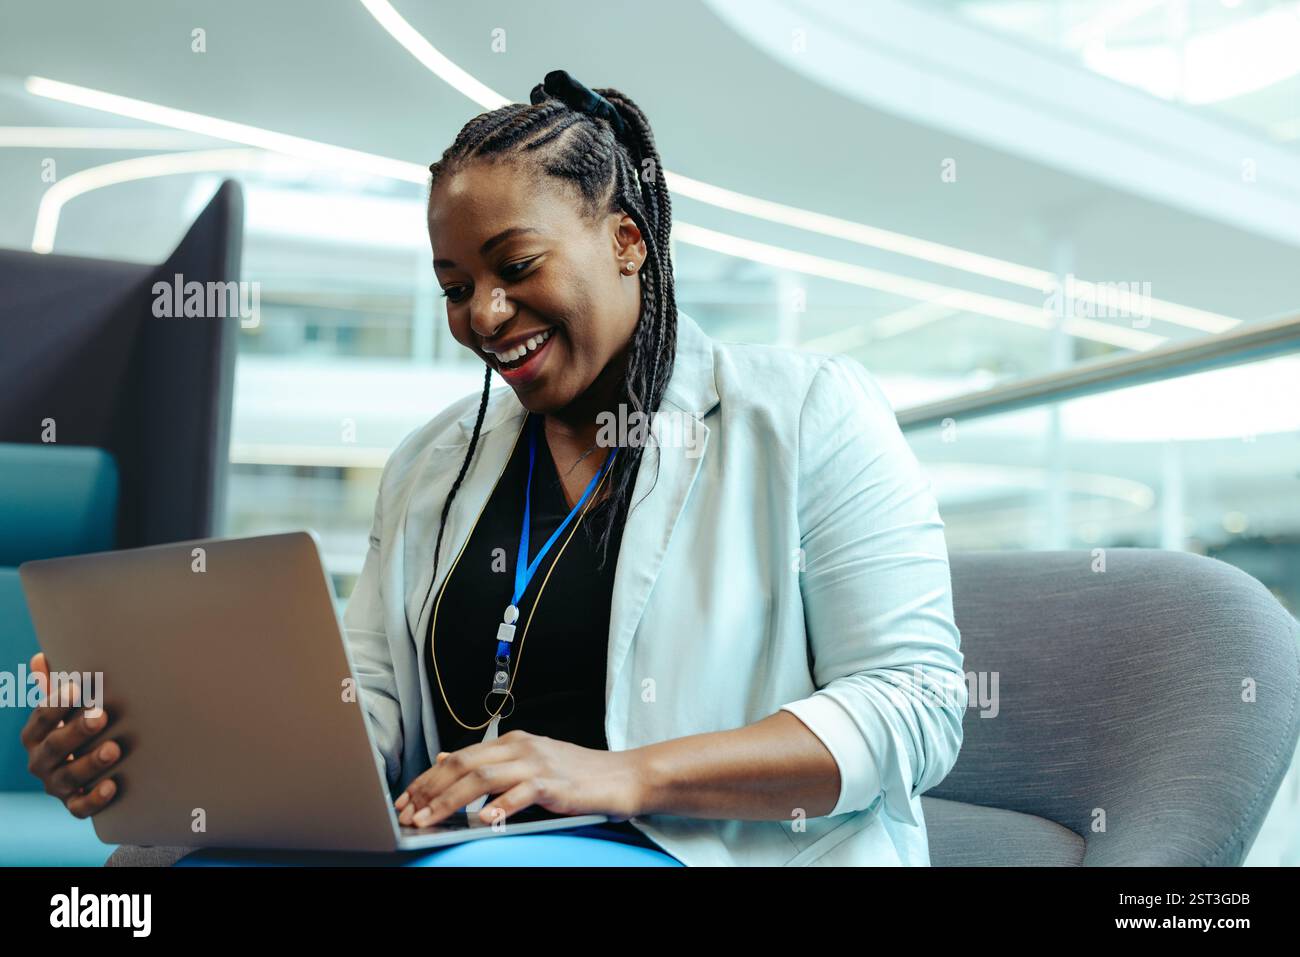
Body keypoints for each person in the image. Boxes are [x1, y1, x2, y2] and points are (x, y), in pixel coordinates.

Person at [22, 69, 967, 867]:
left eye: (515, 264)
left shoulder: (804, 413)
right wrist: (177, 752)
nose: (484, 312)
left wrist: (618, 772)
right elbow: (373, 706)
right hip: (469, 847)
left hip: (700, 848)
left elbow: (915, 706)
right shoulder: (430, 466)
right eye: (455, 286)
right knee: (163, 869)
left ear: (627, 241)